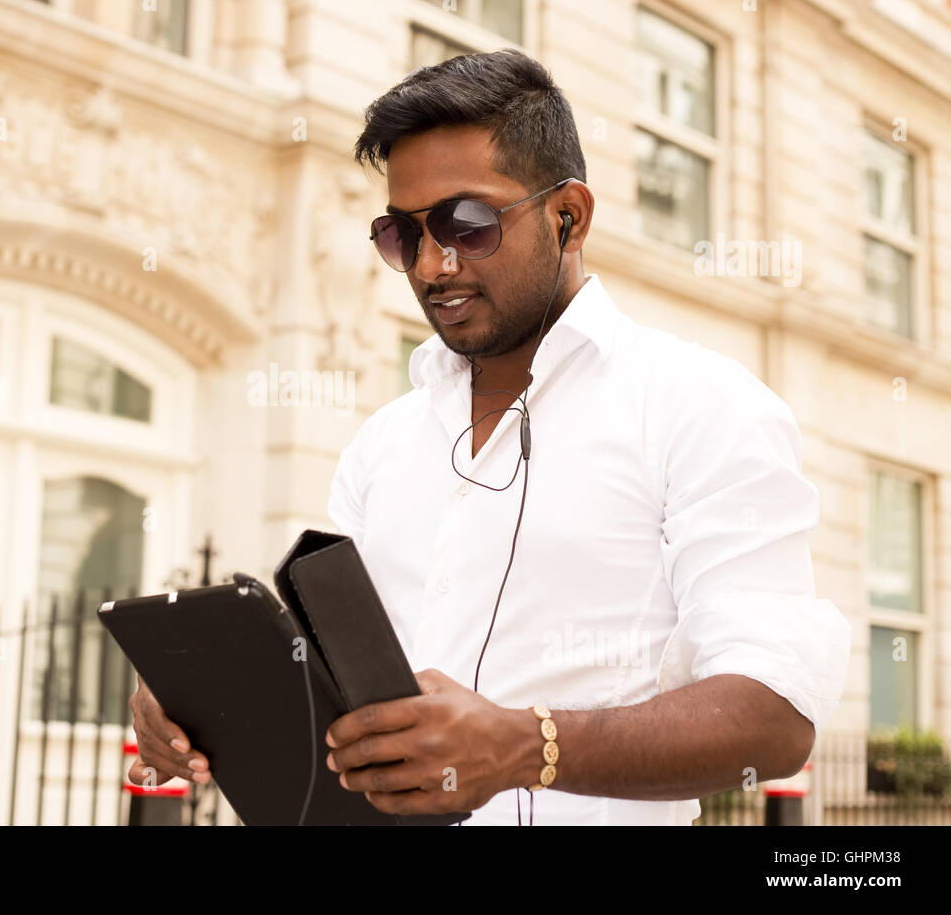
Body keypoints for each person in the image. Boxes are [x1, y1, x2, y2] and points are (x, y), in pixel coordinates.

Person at [127, 48, 850, 824]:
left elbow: (774, 720)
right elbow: (341, 702)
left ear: (568, 215)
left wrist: (519, 745)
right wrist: (210, 698)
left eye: (467, 225)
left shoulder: (702, 406)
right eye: (403, 235)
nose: (434, 266)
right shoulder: (384, 442)